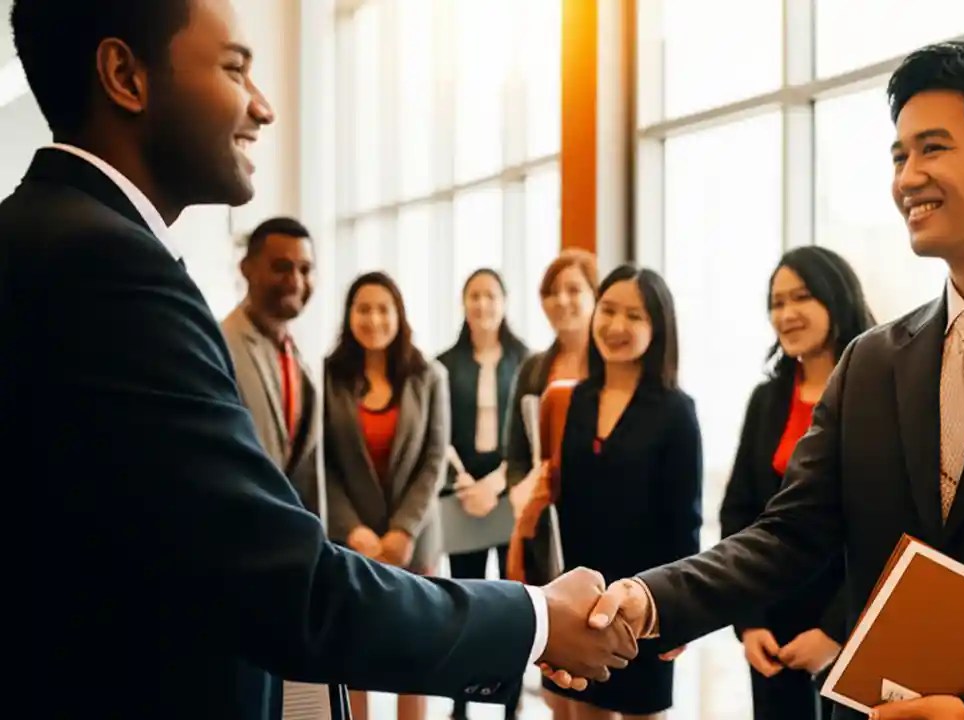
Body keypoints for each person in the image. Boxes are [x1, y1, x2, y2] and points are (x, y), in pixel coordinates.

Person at [0, 2, 636, 718]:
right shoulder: (105, 266)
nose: (263, 107)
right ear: (125, 75)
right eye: (235, 68)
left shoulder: (43, 237)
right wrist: (538, 620)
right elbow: (280, 586)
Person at [581, 41, 964, 720]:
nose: (908, 177)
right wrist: (649, 602)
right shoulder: (873, 362)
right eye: (899, 155)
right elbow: (788, 537)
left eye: (933, 149)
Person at [720, 246, 876, 720]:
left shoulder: (875, 392)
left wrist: (836, 630)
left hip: (852, 622)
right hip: (772, 626)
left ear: (837, 298)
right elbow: (739, 512)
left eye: (801, 298)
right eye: (776, 302)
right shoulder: (767, 399)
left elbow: (882, 525)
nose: (785, 314)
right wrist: (747, 623)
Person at [544, 265, 702, 720]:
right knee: (578, 710)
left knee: (641, 711)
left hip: (643, 601)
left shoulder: (676, 411)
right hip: (576, 595)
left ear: (658, 327)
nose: (616, 326)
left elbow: (684, 521)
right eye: (608, 310)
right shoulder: (576, 399)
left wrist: (679, 613)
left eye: (634, 316)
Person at [324, 272, 452, 720]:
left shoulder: (429, 375)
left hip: (414, 543)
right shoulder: (328, 377)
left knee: (413, 655)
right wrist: (353, 530)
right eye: (364, 309)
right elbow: (323, 464)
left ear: (399, 315)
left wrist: (403, 530)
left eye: (383, 309)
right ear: (349, 316)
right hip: (351, 542)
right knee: (356, 654)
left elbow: (434, 458)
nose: (374, 319)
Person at [222, 216, 336, 717]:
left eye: (306, 269)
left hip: (285, 570)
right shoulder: (221, 343)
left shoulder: (299, 356)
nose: (296, 280)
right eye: (281, 267)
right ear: (247, 268)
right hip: (237, 565)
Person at [436, 268, 531, 720]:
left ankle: (510, 702)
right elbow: (438, 435)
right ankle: (461, 703)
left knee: (513, 601)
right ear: (463, 303)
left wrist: (497, 484)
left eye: (491, 295)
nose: (482, 304)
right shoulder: (445, 364)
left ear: (505, 303)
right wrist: (467, 486)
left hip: (509, 496)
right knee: (465, 601)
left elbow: (528, 441)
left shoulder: (525, 361)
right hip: (461, 499)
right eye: (474, 296)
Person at [505, 249, 599, 583]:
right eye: (551, 292)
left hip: (599, 514)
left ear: (595, 295)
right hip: (543, 519)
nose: (561, 300)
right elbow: (515, 452)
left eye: (574, 290)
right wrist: (521, 492)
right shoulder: (532, 369)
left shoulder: (612, 368)